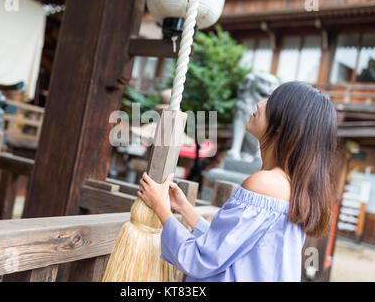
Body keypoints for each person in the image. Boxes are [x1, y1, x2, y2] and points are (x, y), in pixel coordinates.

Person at [137, 81, 338, 281]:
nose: (260, 103)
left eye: (271, 101)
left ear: (284, 125)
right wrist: (185, 208)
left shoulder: (265, 185)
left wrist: (160, 207)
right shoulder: (291, 189)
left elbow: (200, 259)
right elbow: (226, 248)